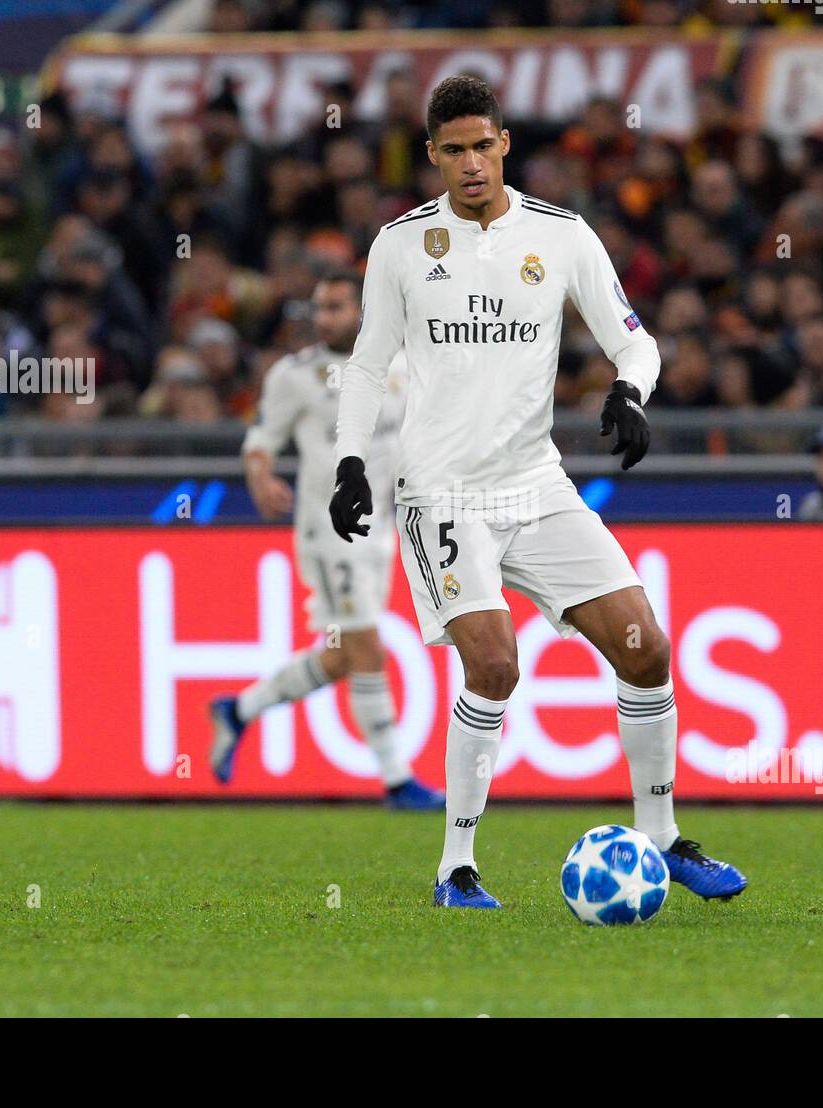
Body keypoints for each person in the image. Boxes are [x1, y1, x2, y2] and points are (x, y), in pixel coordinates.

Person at [328, 75, 747, 909]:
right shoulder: (401, 245)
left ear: (505, 143)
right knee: (494, 663)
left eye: (483, 145)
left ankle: (661, 839)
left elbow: (637, 343)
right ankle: (456, 866)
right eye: (454, 151)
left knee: (646, 647)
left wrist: (631, 393)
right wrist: (349, 463)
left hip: (535, 485)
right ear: (433, 157)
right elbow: (369, 364)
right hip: (441, 494)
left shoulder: (561, 235)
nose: (472, 163)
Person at [209, 272, 445, 811]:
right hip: (330, 531)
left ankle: (238, 711)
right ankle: (397, 781)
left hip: (383, 529)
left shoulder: (404, 364)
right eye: (320, 307)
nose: (324, 318)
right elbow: (260, 439)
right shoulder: (296, 376)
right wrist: (261, 476)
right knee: (367, 647)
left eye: (336, 307)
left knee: (342, 657)